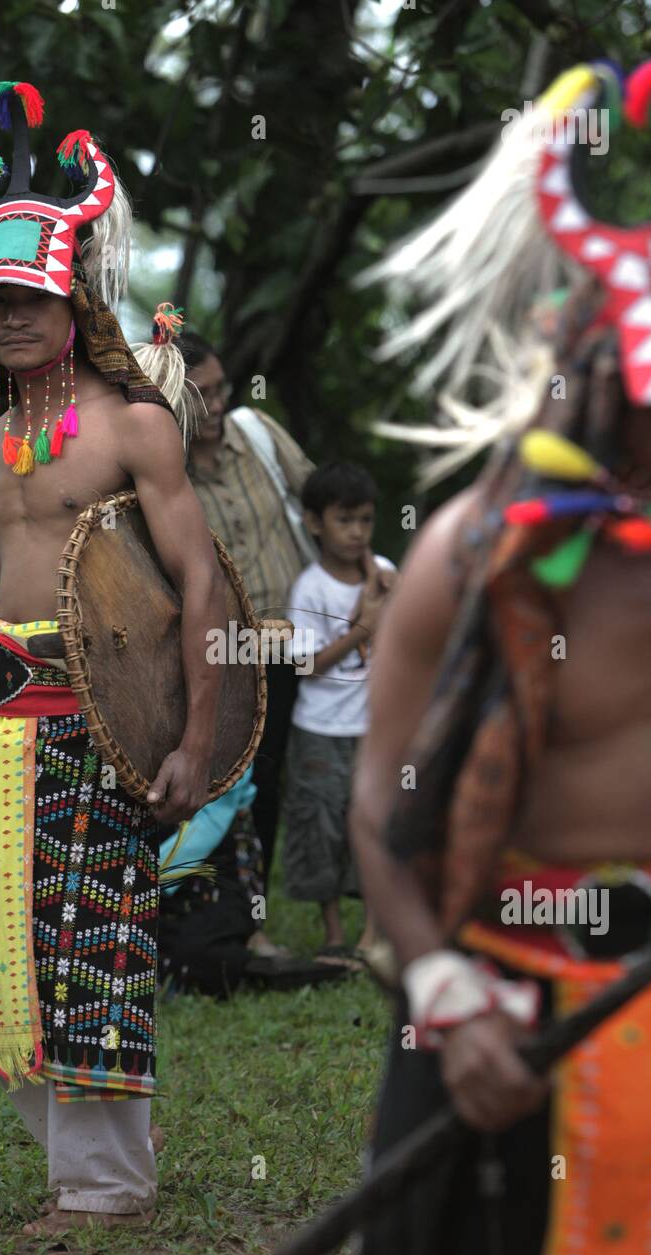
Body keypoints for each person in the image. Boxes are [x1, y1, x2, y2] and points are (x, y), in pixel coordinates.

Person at [351, 59, 651, 1255]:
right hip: (505, 998)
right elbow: (382, 812)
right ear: (593, 377)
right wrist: (445, 993)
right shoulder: (469, 558)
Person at [0, 81, 225, 1235]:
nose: (11, 321)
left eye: (29, 299)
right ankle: (77, 1169)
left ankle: (105, 1187)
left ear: (70, 295)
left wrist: (193, 736)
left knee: (90, 934)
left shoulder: (135, 422)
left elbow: (198, 581)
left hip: (98, 723)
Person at [176, 332, 316, 908]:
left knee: (278, 771)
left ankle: (252, 908)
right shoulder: (166, 470)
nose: (214, 406)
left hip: (293, 642)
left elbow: (320, 502)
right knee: (220, 780)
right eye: (198, 396)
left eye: (220, 389)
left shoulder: (257, 434)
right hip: (216, 656)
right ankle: (204, 905)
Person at [282, 464, 395, 966]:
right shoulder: (310, 590)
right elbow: (305, 665)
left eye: (365, 521)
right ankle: (333, 935)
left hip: (375, 728)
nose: (356, 532)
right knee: (321, 826)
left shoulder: (386, 574)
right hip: (319, 729)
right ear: (314, 523)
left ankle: (373, 932)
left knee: (374, 826)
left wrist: (386, 605)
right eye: (344, 520)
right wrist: (361, 629)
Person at [157, 767, 349, 994]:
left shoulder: (229, 740)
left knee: (203, 956)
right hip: (158, 853)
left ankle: (261, 958)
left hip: (219, 858)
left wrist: (147, 878)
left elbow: (212, 822)